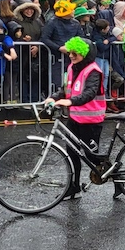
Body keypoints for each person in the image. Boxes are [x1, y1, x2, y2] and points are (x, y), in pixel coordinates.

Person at [44, 37, 106, 200]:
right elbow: (67, 89)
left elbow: (90, 93)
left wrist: (70, 101)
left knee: (93, 158)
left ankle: (118, 182)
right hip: (75, 118)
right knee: (72, 153)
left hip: (91, 121)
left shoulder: (93, 71)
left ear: (84, 54)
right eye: (70, 53)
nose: (71, 56)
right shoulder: (73, 67)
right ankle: (74, 187)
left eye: (75, 54)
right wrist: (54, 97)